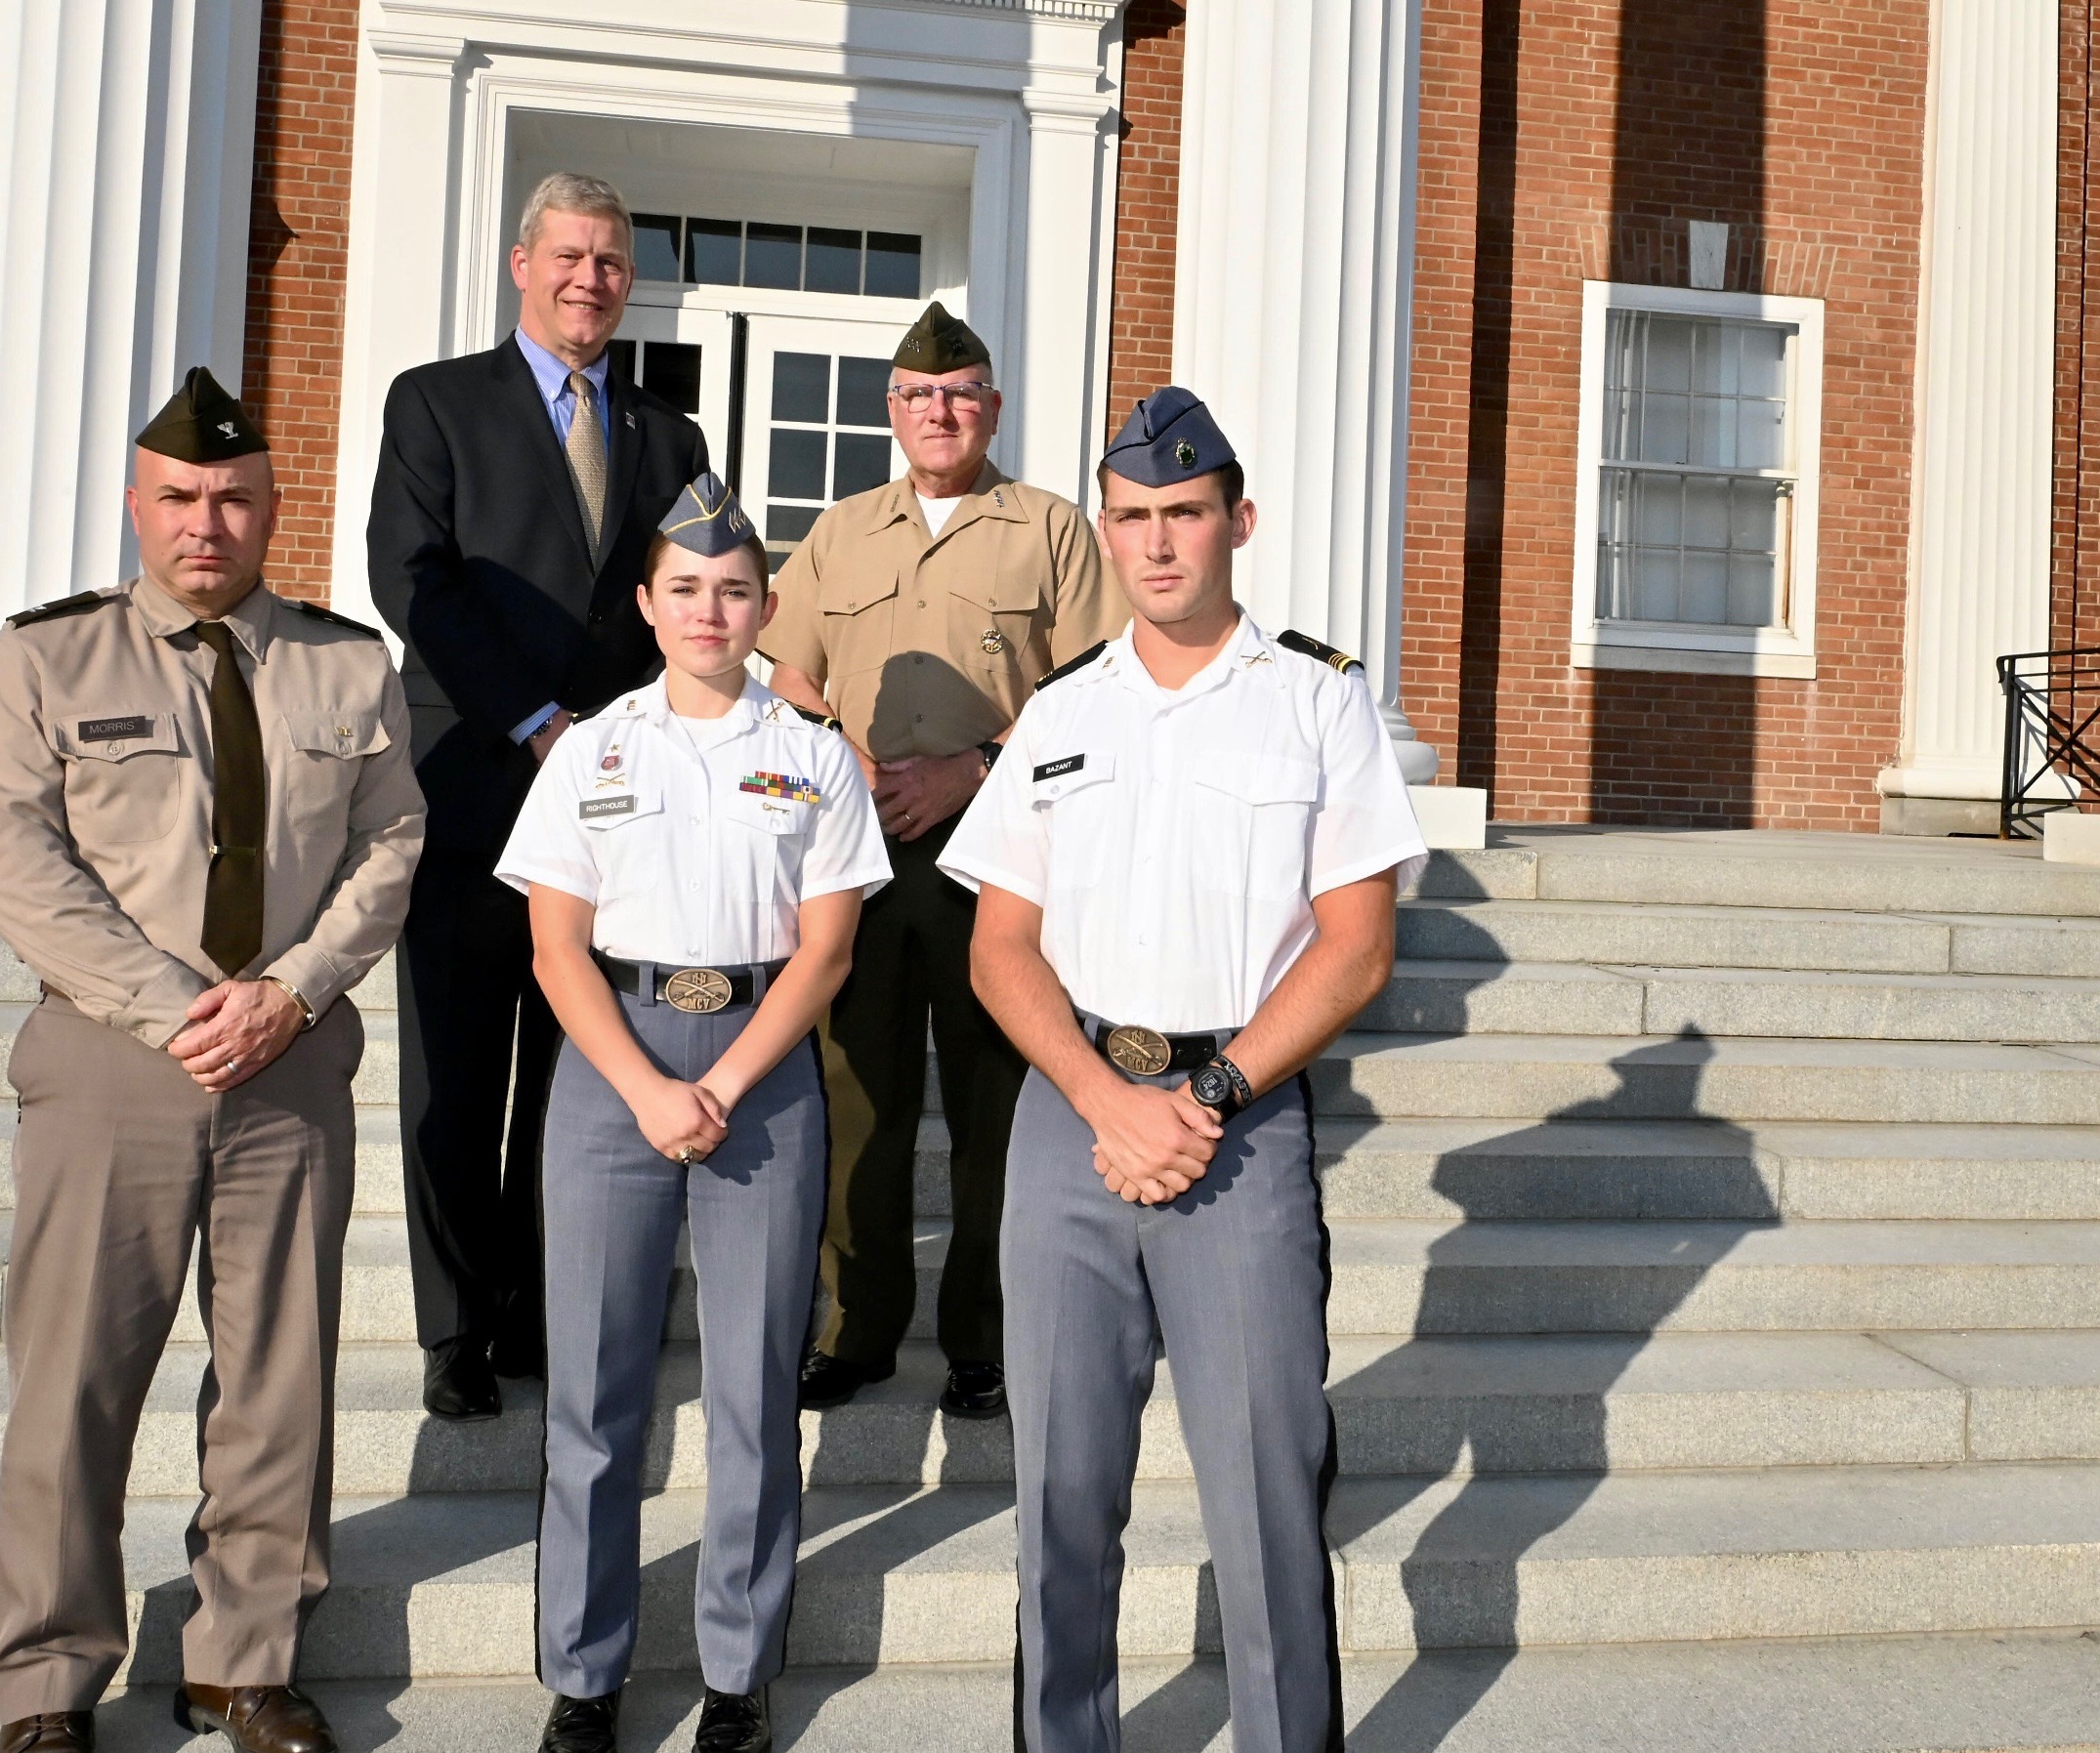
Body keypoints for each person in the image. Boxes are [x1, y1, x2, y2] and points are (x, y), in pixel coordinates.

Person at [937, 388, 1428, 1753]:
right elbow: (998, 946)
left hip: (1241, 1123)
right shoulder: (1055, 712)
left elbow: (1354, 947)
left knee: (1267, 1488)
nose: (1157, 544)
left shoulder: (1315, 703)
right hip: (1071, 1117)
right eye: (1134, 517)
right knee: (1057, 1493)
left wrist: (1202, 1102)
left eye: (1184, 514)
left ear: (1236, 522)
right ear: (1106, 529)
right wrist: (1105, 1100)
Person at [0, 367, 426, 1753]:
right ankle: (47, 1676)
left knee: (278, 1374)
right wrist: (175, 1005)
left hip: (287, 1063)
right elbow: (18, 861)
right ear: (136, 507)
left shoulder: (348, 666)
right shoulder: (45, 659)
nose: (203, 524)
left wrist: (288, 991)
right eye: (177, 498)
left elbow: (388, 841)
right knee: (75, 1378)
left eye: (230, 497)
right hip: (110, 1059)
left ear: (272, 507)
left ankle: (245, 1657)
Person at [497, 475, 889, 1753]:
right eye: (685, 589)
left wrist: (717, 1082)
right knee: (596, 1391)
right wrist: (649, 1084)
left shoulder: (813, 754)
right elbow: (555, 948)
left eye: (732, 589)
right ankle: (585, 1669)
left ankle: (735, 1668)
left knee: (750, 1383)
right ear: (647, 605)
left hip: (760, 1068)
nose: (709, 609)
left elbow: (825, 951)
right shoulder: (593, 750)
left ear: (765, 605)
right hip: (612, 1067)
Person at [367, 171, 711, 1422]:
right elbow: (413, 581)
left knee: (575, 1077)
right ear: (523, 264)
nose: (589, 280)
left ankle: (537, 1312)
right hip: (471, 785)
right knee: (456, 1075)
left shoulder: (672, 438)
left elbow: (686, 601)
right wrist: (537, 720)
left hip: (612, 813)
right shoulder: (438, 403)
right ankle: (455, 1330)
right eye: (568, 256)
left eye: (611, 262)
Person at [760, 300, 1125, 1421]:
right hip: (863, 855)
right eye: (920, 396)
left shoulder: (1052, 528)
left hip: (996, 857)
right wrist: (854, 767)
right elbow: (787, 676)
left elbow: (1094, 686)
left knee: (994, 1102)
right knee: (856, 1099)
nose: (941, 412)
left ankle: (987, 1339)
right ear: (892, 413)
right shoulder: (840, 530)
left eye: (961, 393)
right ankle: (855, 1331)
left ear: (993, 408)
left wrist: (971, 769)